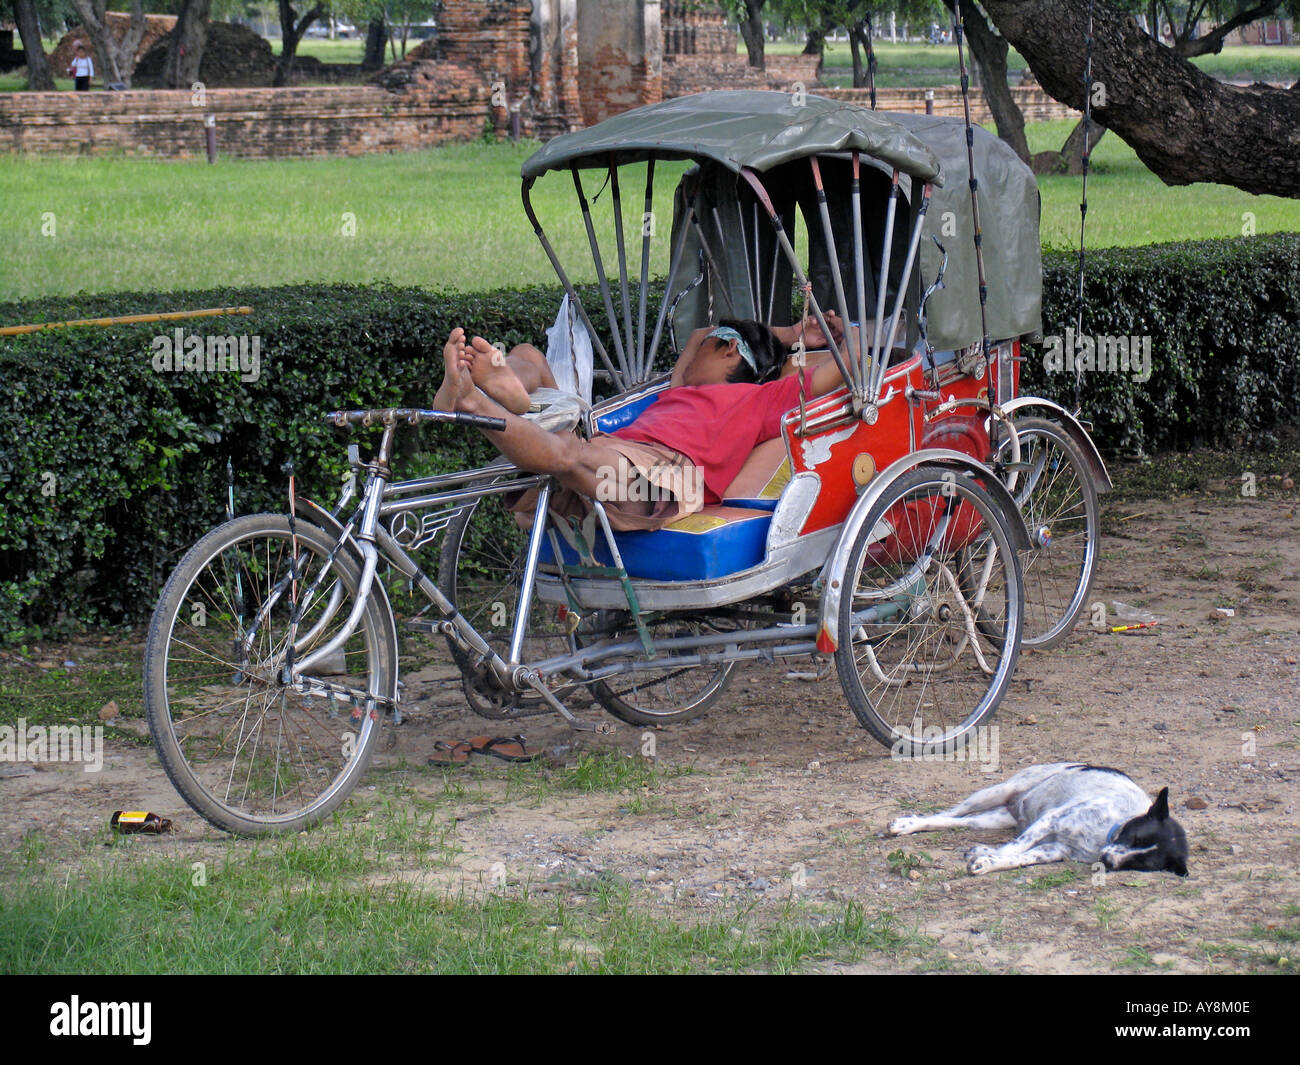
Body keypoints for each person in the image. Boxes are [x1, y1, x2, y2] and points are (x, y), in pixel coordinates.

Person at [433, 313, 849, 532]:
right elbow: (699, 333)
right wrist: (790, 329)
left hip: (664, 480)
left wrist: (824, 333)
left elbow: (842, 368)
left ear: (728, 352)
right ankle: (507, 392)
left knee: (568, 450)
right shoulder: (678, 388)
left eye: (710, 344)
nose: (696, 347)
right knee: (531, 355)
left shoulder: (760, 398)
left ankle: (475, 403)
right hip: (609, 463)